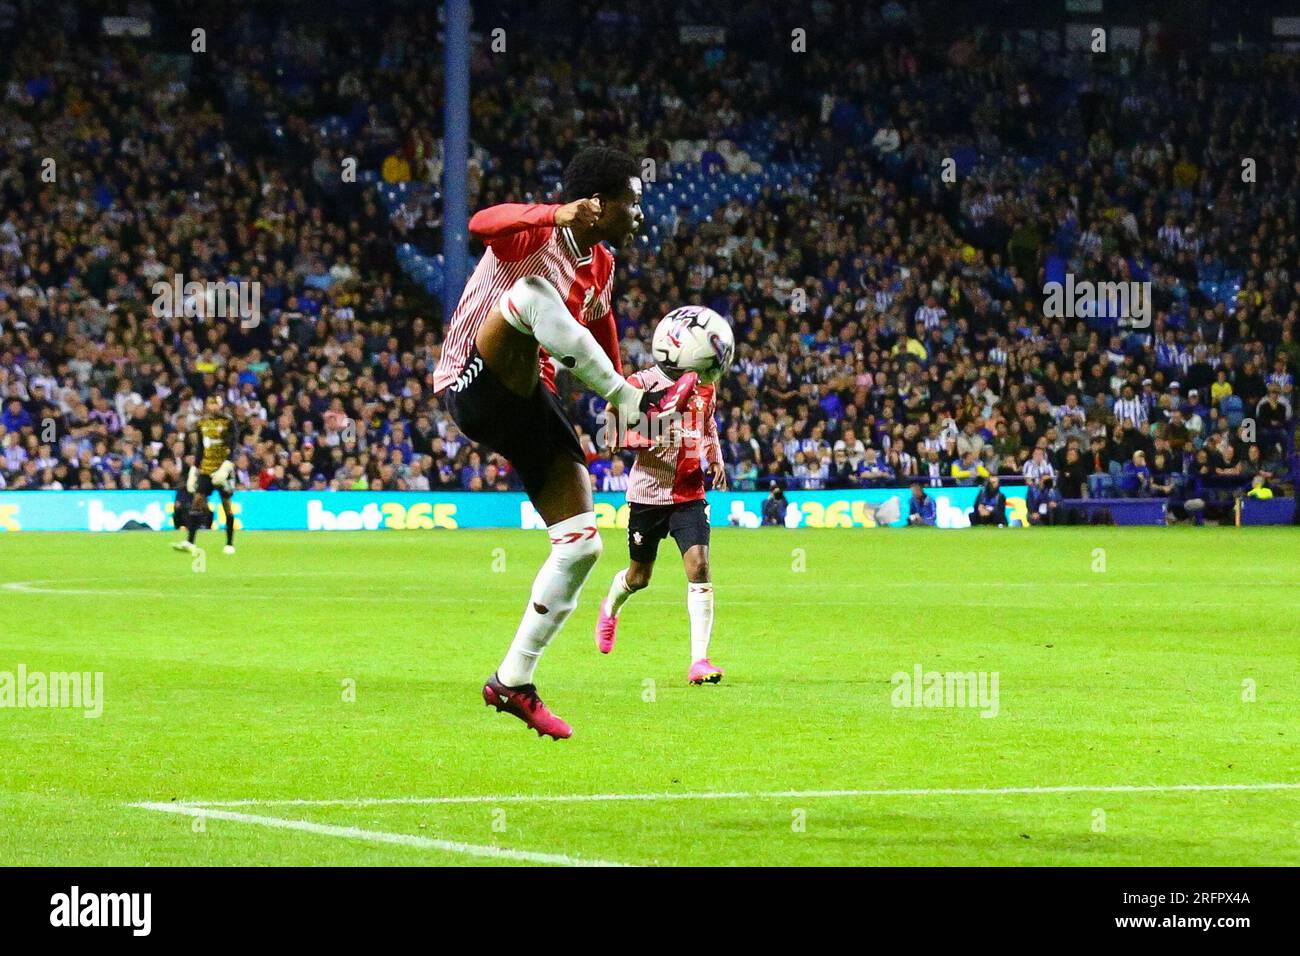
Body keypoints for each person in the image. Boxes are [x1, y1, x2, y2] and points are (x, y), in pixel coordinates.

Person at [431, 146, 695, 739]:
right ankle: (634, 400)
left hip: (528, 401)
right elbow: (479, 223)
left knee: (580, 547)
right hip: (473, 380)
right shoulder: (534, 237)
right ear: (597, 206)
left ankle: (512, 680)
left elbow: (600, 336)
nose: (640, 215)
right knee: (529, 297)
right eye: (633, 203)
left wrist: (624, 402)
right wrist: (555, 213)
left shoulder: (600, 264)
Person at [595, 346, 726, 685]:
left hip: (689, 493)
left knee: (699, 566)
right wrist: (615, 432)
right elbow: (613, 408)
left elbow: (707, 423)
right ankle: (610, 606)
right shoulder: (642, 381)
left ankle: (699, 661)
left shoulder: (706, 385)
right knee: (639, 577)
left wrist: (715, 458)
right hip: (648, 495)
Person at [172, 393, 238, 555]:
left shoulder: (228, 422)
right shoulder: (202, 423)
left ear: (220, 405)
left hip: (223, 469)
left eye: (216, 403)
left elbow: (233, 445)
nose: (213, 406)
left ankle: (229, 543)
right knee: (197, 501)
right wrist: (194, 469)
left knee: (226, 505)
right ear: (207, 405)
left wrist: (226, 467)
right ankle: (190, 542)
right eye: (211, 403)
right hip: (206, 469)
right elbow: (201, 449)